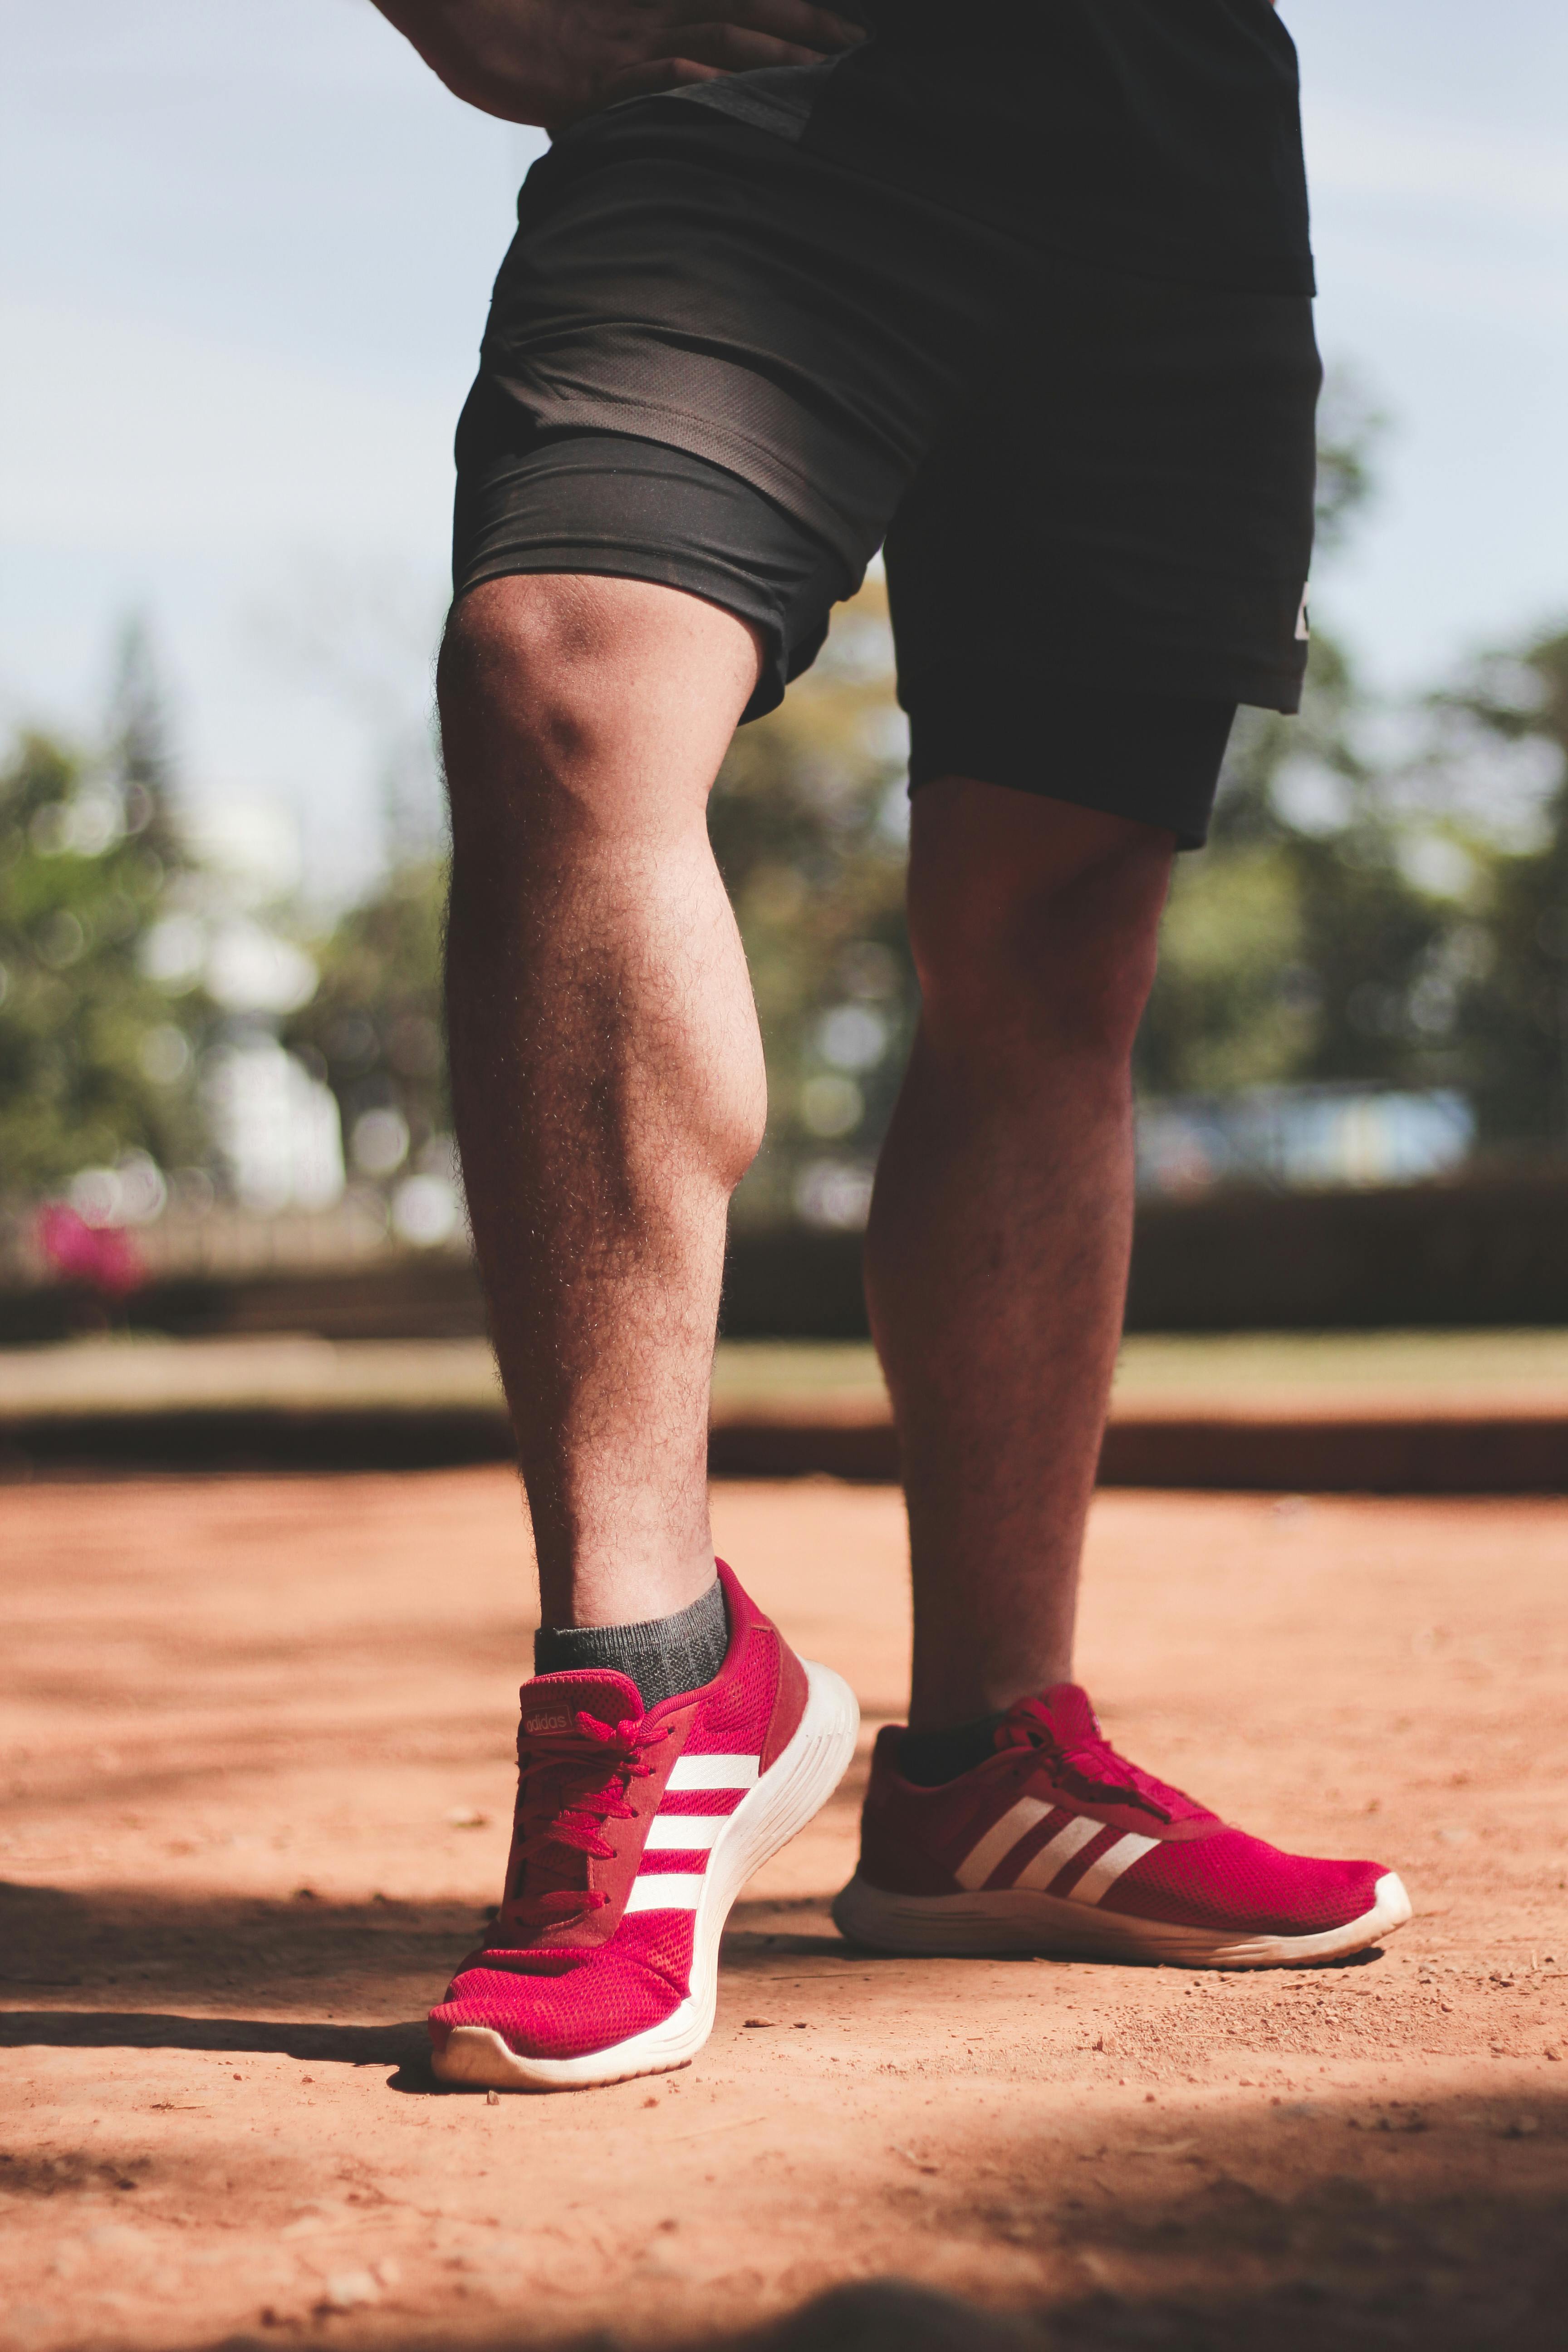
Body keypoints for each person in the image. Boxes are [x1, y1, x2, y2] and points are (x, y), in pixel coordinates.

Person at [370, 0, 1411, 2092]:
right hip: (764, 82)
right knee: (563, 671)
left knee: (1060, 917)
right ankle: (651, 1676)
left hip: (1165, 112)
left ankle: (989, 1772)